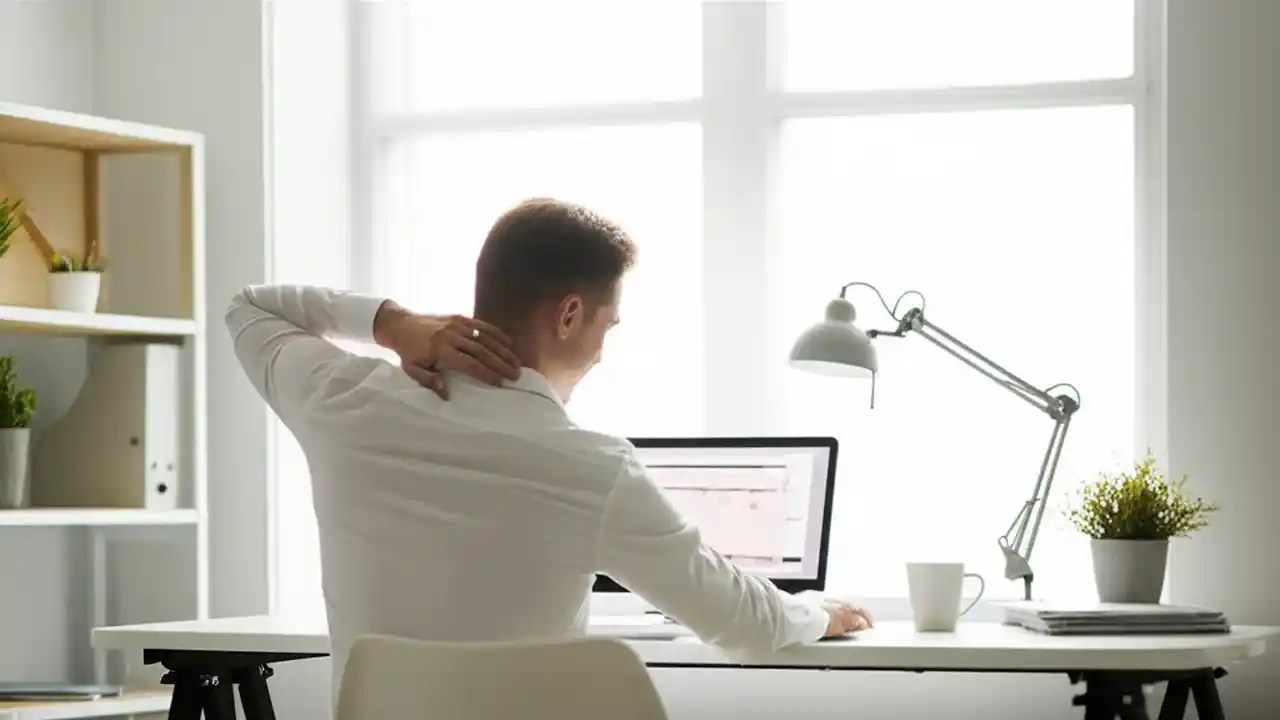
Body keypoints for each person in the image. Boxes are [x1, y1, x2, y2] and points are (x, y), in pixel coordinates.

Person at [226, 197, 872, 693]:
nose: (601, 353)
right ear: (568, 315)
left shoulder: (347, 403)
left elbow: (251, 309)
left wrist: (394, 324)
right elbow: (746, 625)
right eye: (606, 325)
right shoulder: (594, 469)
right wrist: (816, 611)